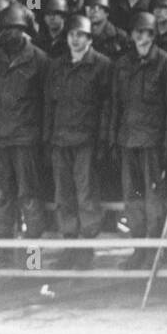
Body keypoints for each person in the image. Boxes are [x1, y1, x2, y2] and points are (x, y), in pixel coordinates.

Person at [0, 2, 49, 269]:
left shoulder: (39, 60)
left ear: (23, 30)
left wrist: (41, 137)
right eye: (3, 29)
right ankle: (4, 249)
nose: (7, 34)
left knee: (29, 196)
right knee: (0, 196)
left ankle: (33, 255)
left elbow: (45, 102)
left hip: (26, 138)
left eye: (12, 29)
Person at [110, 12, 167, 270]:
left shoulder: (166, 64)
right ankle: (139, 249)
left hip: (153, 143)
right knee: (133, 199)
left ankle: (157, 251)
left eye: (148, 33)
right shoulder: (122, 65)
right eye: (138, 33)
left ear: (154, 35)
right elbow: (116, 105)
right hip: (128, 141)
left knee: (154, 200)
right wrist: (113, 138)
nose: (143, 38)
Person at [44, 14, 112, 269]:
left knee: (86, 195)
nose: (75, 39)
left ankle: (86, 248)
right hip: (60, 140)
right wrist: (48, 137)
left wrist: (103, 140)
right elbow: (49, 105)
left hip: (86, 140)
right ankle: (70, 245)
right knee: (64, 195)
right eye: (72, 34)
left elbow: (107, 106)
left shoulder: (101, 65)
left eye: (80, 35)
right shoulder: (57, 66)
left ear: (89, 38)